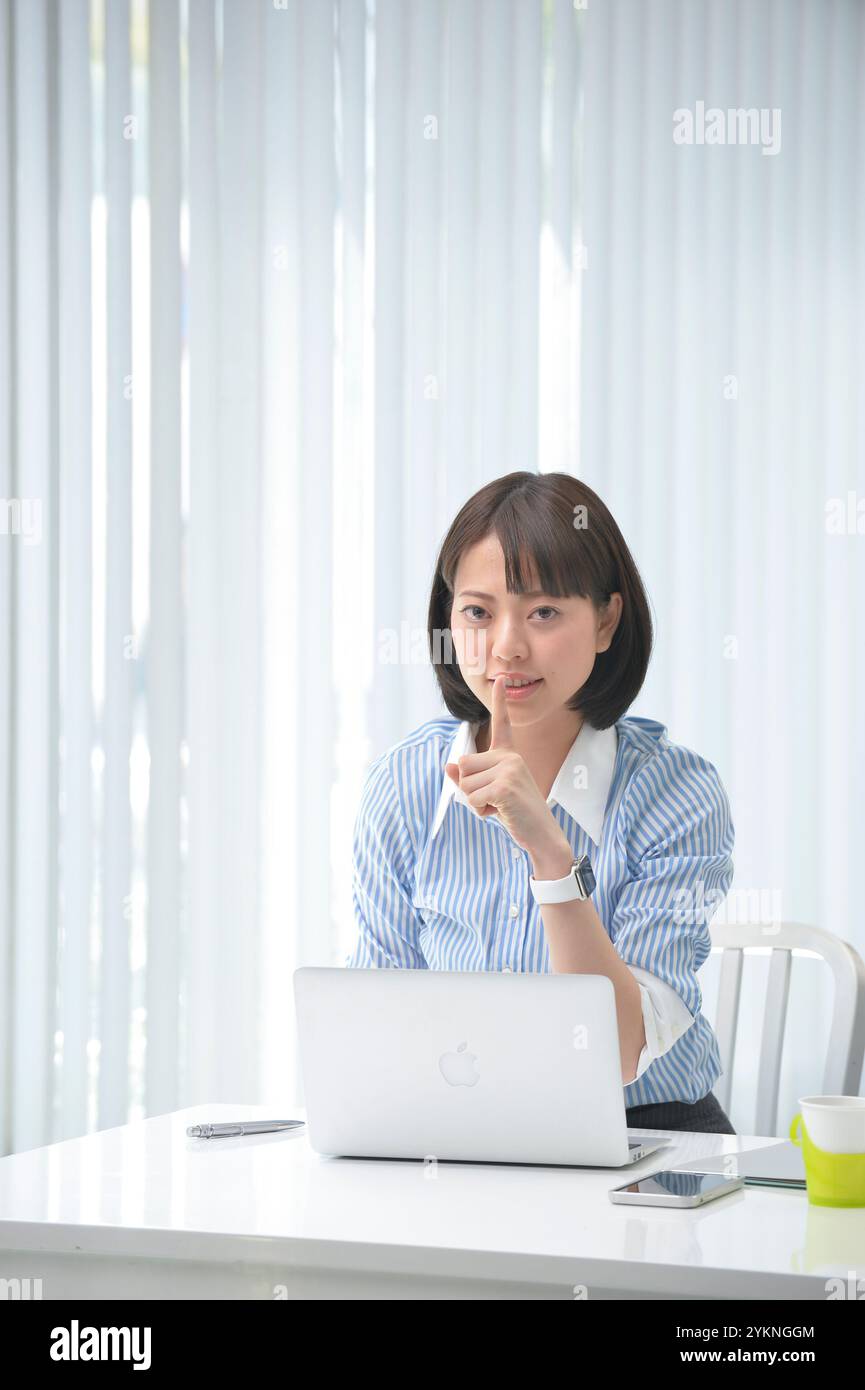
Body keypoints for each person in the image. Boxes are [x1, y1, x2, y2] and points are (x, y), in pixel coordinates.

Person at [346, 471, 736, 1135]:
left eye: (543, 613)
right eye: (477, 612)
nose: (505, 647)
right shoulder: (402, 784)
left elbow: (616, 1051)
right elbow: (373, 1028)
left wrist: (551, 856)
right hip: (465, 1136)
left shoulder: (676, 794)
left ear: (607, 620)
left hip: (650, 1133)